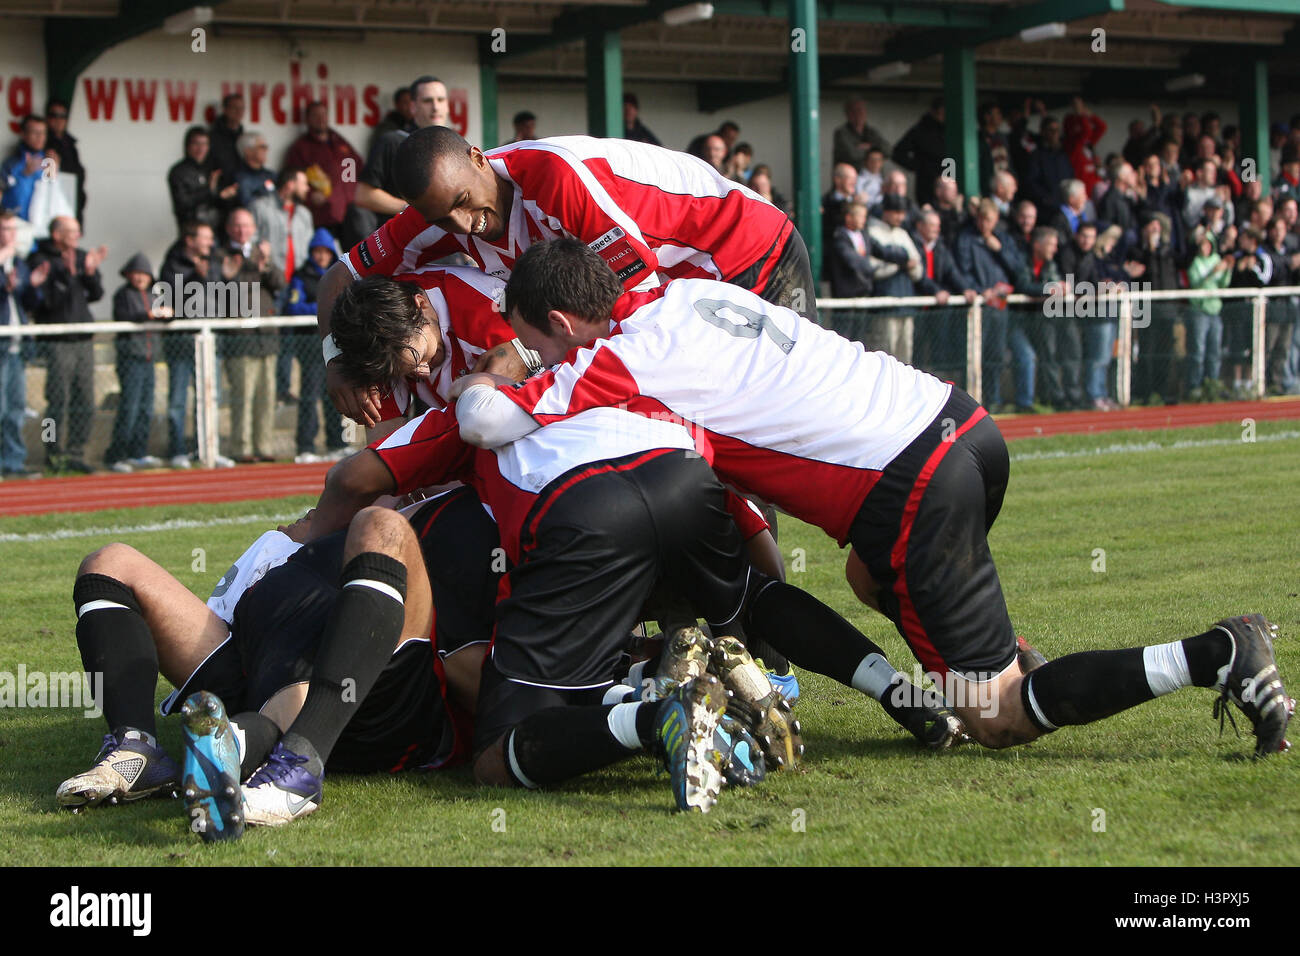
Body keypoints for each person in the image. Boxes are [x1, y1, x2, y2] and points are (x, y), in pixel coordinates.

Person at [461, 237, 1291, 760]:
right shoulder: (687, 289)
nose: (538, 359)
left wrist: (505, 367)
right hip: (959, 423)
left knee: (992, 716)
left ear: (565, 325)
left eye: (537, 343)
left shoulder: (620, 360)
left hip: (911, 487)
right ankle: (993, 661)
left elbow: (481, 417)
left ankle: (1216, 652)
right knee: (866, 579)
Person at [55, 490, 502, 836]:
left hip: (362, 679)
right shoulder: (401, 467)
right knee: (108, 562)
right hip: (256, 645)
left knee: (382, 526)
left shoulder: (474, 509)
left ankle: (294, 762)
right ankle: (137, 749)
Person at [320, 126, 817, 425]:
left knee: (763, 415)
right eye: (439, 218)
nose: (459, 224)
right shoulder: (437, 209)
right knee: (696, 427)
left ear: (478, 159)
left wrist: (528, 358)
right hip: (677, 285)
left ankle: (761, 585)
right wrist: (336, 358)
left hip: (747, 251)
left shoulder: (555, 177)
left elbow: (637, 308)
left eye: (462, 203)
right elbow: (338, 279)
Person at [27, 215, 105, 473]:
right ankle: (53, 451)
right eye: (71, 231)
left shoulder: (82, 257)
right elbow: (44, 303)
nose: (76, 236)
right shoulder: (40, 260)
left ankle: (76, 452)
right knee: (57, 401)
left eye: (78, 231)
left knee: (85, 400)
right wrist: (67, 276)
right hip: (57, 342)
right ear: (56, 234)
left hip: (83, 339)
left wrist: (89, 274)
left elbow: (96, 294)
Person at [219, 208, 284, 463]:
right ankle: (241, 447)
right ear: (229, 228)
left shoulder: (261, 253)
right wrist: (235, 273)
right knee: (242, 396)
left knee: (266, 396)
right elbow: (224, 290)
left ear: (253, 228)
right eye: (237, 226)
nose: (242, 231)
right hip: (240, 337)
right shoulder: (221, 254)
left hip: (266, 336)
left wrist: (265, 265)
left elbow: (279, 283)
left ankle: (263, 445)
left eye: (246, 226)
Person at [284, 229, 349, 462]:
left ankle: (336, 442)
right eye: (317, 251)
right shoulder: (302, 276)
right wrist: (323, 307)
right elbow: (293, 306)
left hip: (335, 344)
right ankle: (306, 446)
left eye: (325, 251)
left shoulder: (340, 273)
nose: (321, 256)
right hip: (310, 346)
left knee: (336, 393)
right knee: (309, 395)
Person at [955, 199, 1025, 410]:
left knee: (996, 354)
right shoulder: (966, 239)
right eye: (983, 219)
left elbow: (1019, 270)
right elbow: (961, 270)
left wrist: (1000, 249)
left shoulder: (1003, 239)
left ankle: (993, 398)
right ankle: (971, 399)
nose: (986, 224)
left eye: (990, 220)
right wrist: (979, 290)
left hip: (1000, 306)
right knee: (974, 353)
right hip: (979, 307)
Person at [104, 253, 167, 472]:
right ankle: (117, 454)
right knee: (129, 407)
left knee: (145, 408)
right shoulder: (123, 295)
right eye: (136, 273)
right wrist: (150, 314)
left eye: (144, 274)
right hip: (131, 357)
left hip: (149, 358)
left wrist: (167, 313)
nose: (140, 278)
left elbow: (165, 314)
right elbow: (128, 315)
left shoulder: (153, 294)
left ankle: (138, 452)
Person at [0, 210, 43, 477]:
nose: (10, 235)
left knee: (15, 408)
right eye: (5, 229)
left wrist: (32, 287)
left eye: (13, 229)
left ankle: (13, 462)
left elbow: (30, 302)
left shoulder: (19, 263)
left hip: (16, 345)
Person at [284, 101, 363, 234]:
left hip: (349, 213)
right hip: (322, 217)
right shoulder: (301, 148)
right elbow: (292, 180)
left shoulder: (339, 141)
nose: (321, 119)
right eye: (316, 115)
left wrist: (352, 191)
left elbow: (357, 165)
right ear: (307, 119)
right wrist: (310, 196)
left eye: (324, 115)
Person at [866, 193, 922, 364]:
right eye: (896, 212)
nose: (900, 217)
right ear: (886, 212)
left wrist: (904, 265)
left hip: (906, 303)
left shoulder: (903, 234)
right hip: (884, 305)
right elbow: (872, 268)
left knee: (906, 359)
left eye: (902, 212)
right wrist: (900, 265)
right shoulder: (872, 231)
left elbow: (918, 269)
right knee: (885, 356)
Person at [1185, 230, 1232, 400]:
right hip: (1199, 311)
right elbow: (1195, 283)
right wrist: (1212, 272)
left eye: (1207, 244)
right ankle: (1195, 386)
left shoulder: (1216, 260)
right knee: (1197, 351)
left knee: (1214, 352)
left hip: (1215, 311)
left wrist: (1227, 270)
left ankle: (1212, 384)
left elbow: (1223, 284)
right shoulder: (1195, 262)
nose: (1205, 247)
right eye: (1202, 244)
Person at [167, 126, 231, 231]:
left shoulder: (210, 169)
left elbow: (215, 200)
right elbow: (183, 203)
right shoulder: (179, 171)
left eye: (204, 144)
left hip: (215, 228)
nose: (201, 148)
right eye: (196, 144)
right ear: (187, 146)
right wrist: (208, 190)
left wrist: (223, 195)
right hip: (192, 230)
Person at [892, 97, 946, 207]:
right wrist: (920, 167)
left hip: (947, 180)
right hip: (927, 183)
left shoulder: (951, 130)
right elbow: (898, 153)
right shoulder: (920, 130)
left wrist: (950, 178)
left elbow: (951, 158)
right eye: (940, 113)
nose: (943, 117)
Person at [43, 100, 85, 224]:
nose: (58, 120)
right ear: (47, 118)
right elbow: (48, 179)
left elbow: (79, 176)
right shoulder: (45, 144)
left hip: (72, 201)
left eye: (63, 116)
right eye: (54, 115)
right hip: (53, 206)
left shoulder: (70, 144)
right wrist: (54, 167)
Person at [833, 99, 891, 171]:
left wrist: (869, 147)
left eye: (860, 110)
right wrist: (874, 150)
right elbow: (852, 155)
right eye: (854, 111)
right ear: (847, 114)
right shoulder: (841, 133)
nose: (858, 114)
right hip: (850, 178)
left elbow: (888, 150)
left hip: (873, 178)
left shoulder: (871, 132)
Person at [207, 93, 245, 187]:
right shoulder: (212, 137)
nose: (239, 112)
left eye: (242, 108)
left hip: (240, 188)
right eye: (234, 108)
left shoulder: (243, 137)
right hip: (220, 190)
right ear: (225, 110)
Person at [231, 132, 276, 209]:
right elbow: (249, 204)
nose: (266, 150)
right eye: (262, 147)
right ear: (248, 151)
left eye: (266, 147)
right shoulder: (240, 177)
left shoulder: (270, 174)